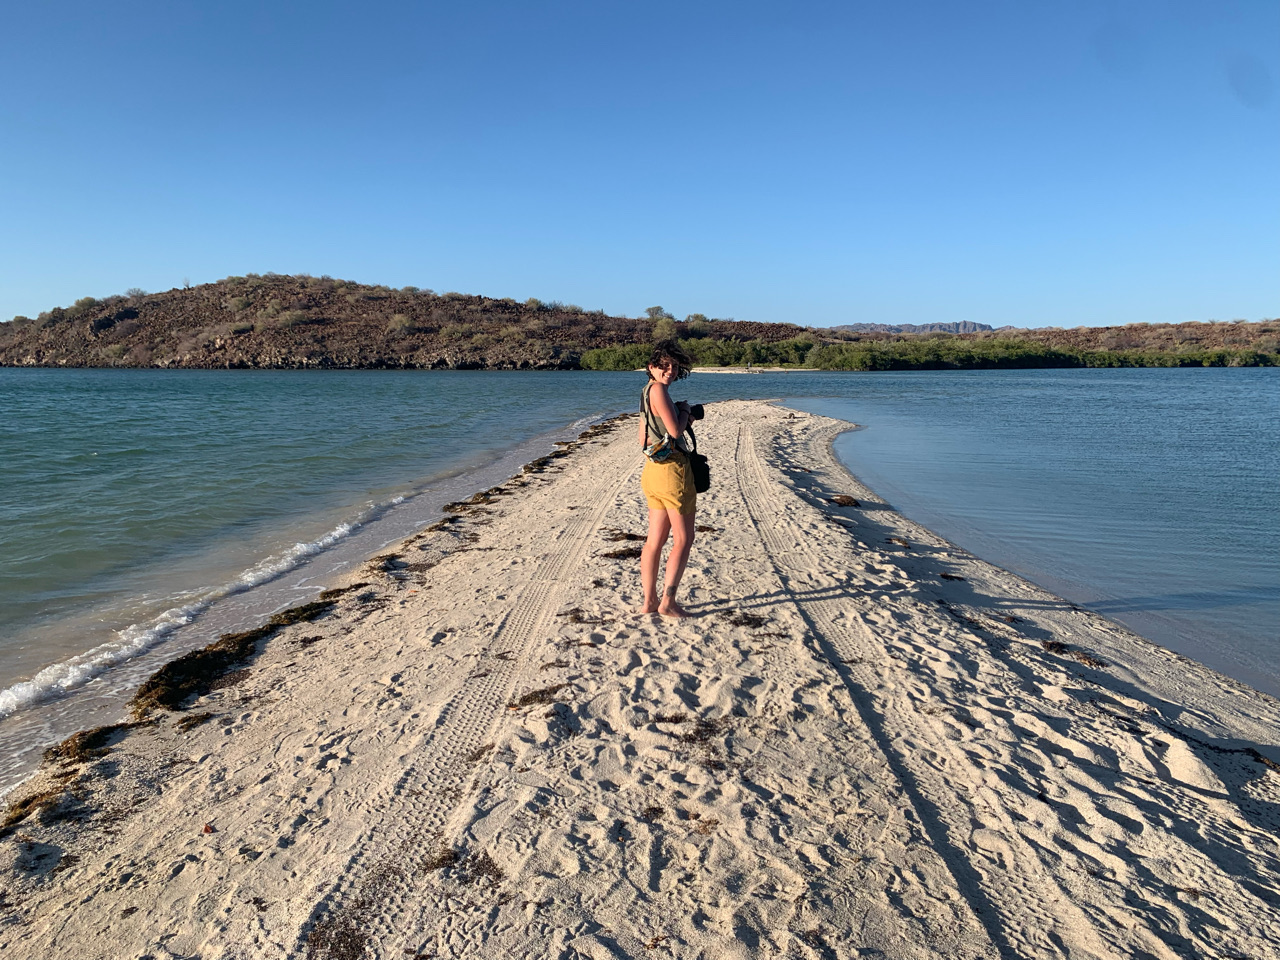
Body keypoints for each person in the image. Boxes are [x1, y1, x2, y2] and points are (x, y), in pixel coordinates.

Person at [637, 340, 697, 617]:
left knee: (654, 541)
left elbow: (642, 438)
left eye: (674, 366)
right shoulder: (659, 389)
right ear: (652, 367)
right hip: (673, 472)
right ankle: (668, 602)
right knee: (683, 539)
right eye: (664, 366)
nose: (670, 371)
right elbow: (674, 432)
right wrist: (685, 412)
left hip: (652, 472)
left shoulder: (646, 391)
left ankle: (648, 602)